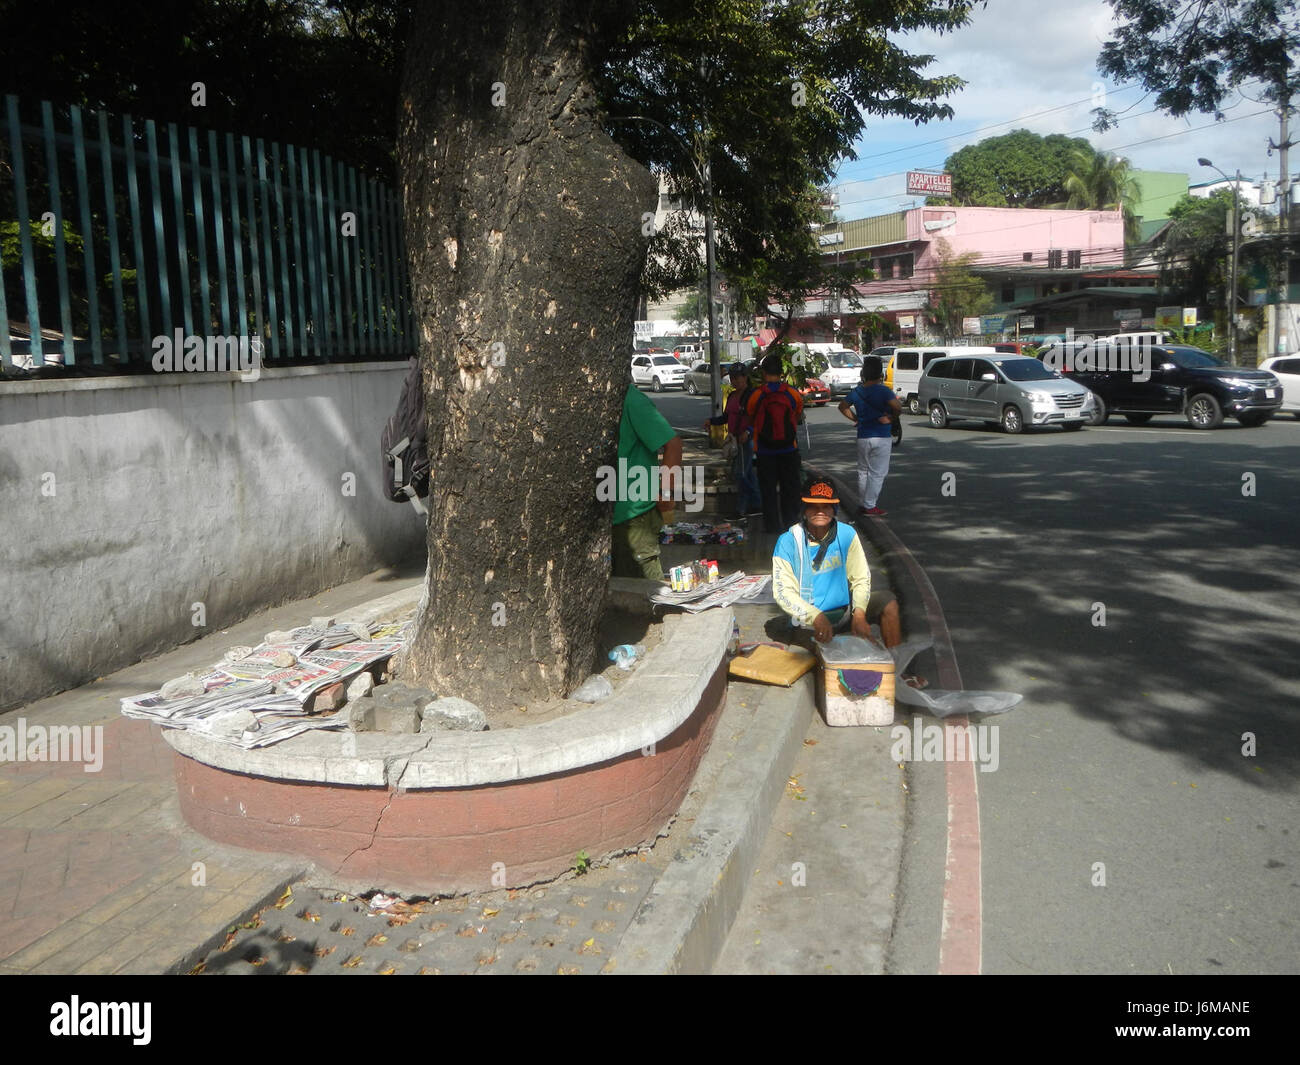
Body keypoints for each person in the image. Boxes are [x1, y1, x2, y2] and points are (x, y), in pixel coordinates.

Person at [772, 477, 926, 686]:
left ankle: (898, 672)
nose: (820, 512)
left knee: (888, 601)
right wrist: (815, 617)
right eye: (813, 506)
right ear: (804, 508)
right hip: (810, 624)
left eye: (826, 506)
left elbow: (861, 577)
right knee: (829, 676)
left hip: (844, 613)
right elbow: (783, 593)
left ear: (834, 509)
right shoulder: (788, 541)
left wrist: (859, 613)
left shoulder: (846, 534)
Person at [612, 381, 681, 580]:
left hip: (634, 517)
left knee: (646, 596)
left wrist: (665, 492)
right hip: (611, 514)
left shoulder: (632, 400)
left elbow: (673, 445)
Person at [745, 351, 804, 532]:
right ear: (781, 372)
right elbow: (797, 415)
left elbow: (751, 416)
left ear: (764, 373)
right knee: (790, 489)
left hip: (764, 450)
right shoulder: (793, 394)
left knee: (768, 490)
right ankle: (791, 525)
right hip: (788, 449)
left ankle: (771, 527)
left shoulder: (757, 395)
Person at [838, 354, 901, 517]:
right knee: (878, 472)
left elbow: (842, 406)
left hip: (863, 436)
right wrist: (890, 418)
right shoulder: (884, 391)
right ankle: (870, 506)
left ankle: (863, 503)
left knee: (863, 471)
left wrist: (856, 418)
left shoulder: (857, 392)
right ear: (880, 374)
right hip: (881, 436)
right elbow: (898, 406)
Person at [704, 363, 762, 519]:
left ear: (745, 377)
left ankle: (742, 509)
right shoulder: (732, 396)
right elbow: (725, 417)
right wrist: (711, 421)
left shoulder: (752, 395)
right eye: (732, 378)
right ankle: (757, 505)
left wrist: (748, 432)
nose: (735, 381)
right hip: (734, 440)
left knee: (740, 473)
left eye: (737, 378)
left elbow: (759, 418)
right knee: (747, 473)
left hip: (746, 441)